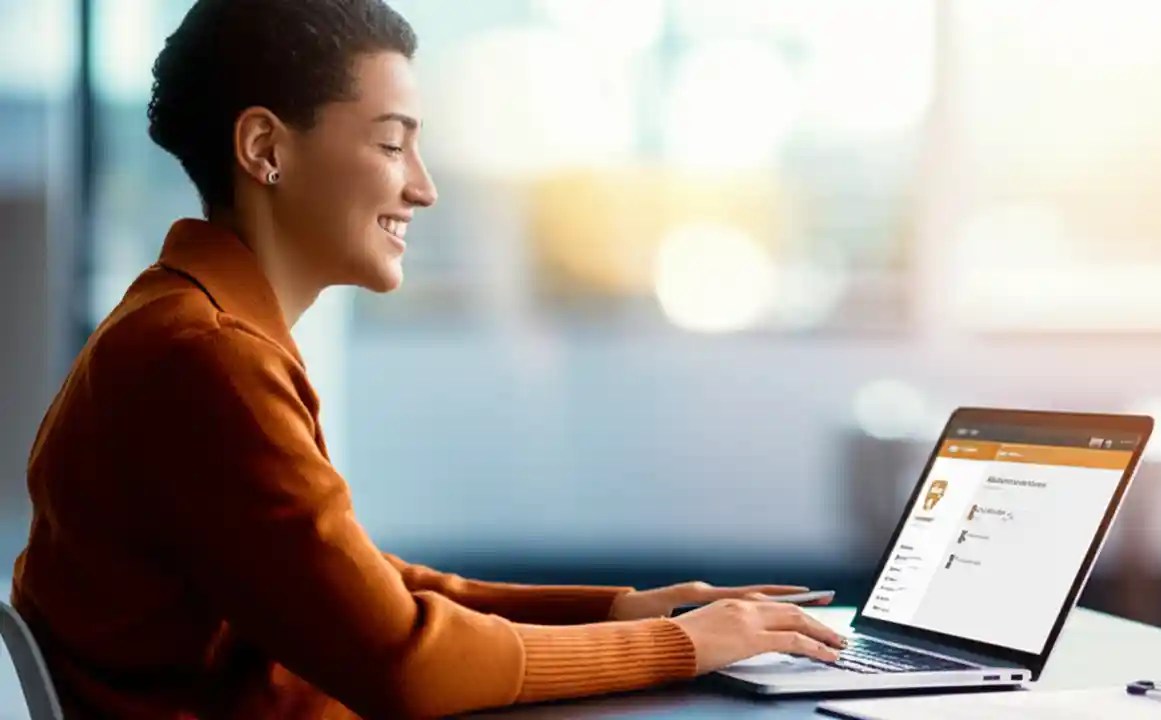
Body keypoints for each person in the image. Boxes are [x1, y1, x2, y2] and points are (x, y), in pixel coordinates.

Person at [9, 1, 846, 717]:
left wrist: (616, 608)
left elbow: (358, 587)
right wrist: (672, 645)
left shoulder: (193, 326)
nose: (423, 186)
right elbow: (406, 663)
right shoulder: (204, 356)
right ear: (265, 148)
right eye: (390, 143)